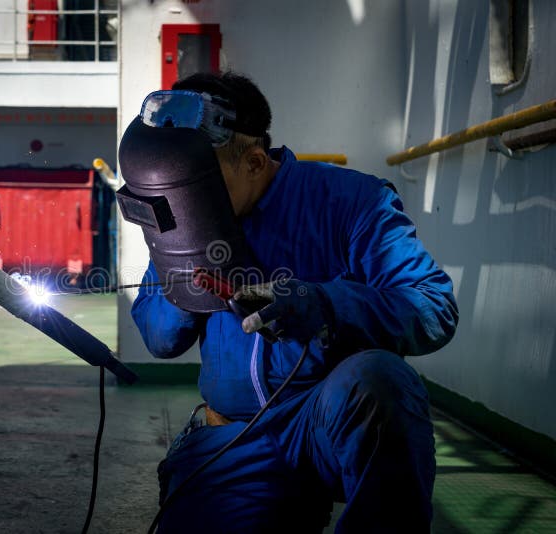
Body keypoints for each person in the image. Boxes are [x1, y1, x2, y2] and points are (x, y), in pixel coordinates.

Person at [129, 72, 458, 533]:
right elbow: (161, 340)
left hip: (319, 424)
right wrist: (185, 278)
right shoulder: (181, 217)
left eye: (202, 186)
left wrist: (325, 303)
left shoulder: (351, 201)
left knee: (381, 380)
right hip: (233, 434)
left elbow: (433, 306)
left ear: (256, 162)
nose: (186, 202)